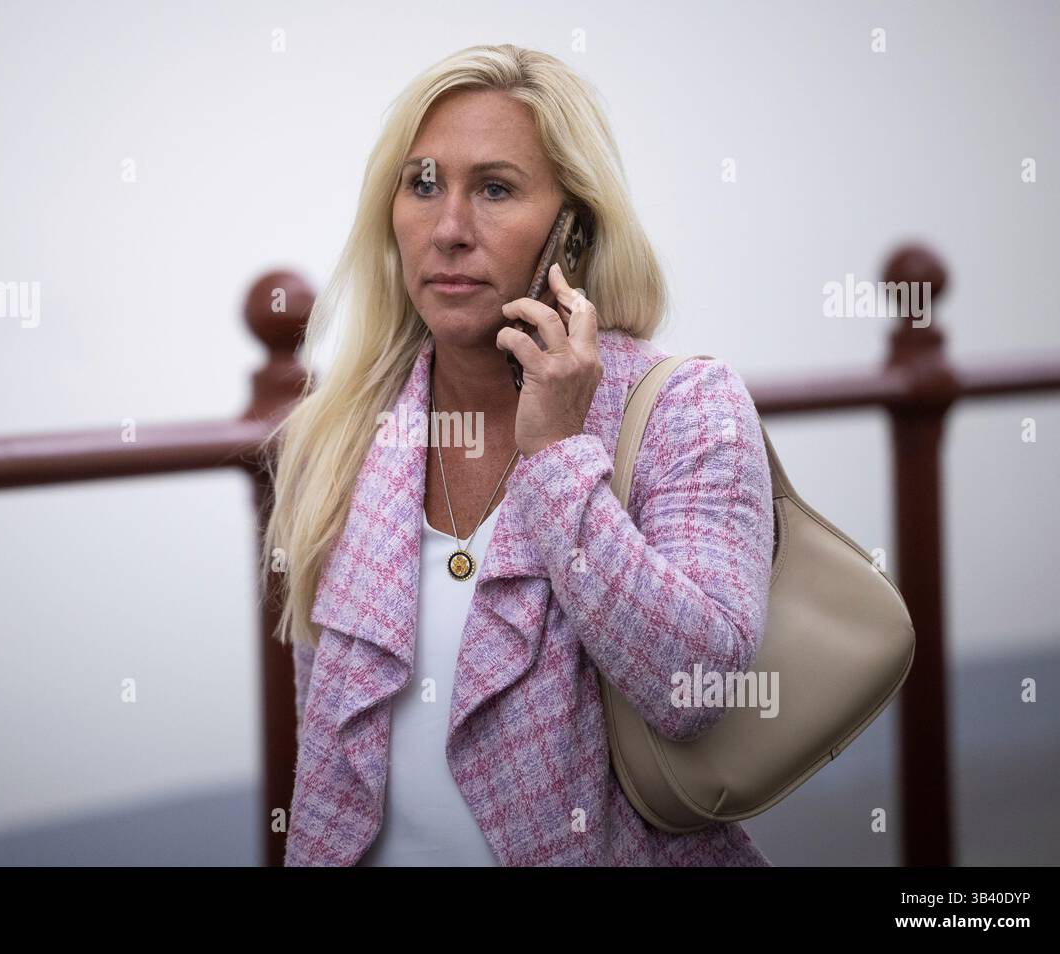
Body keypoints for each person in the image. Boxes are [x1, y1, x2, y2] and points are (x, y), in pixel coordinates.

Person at [258, 43, 774, 866]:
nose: (450, 229)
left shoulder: (685, 408)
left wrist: (561, 457)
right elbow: (327, 765)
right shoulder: (343, 432)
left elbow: (697, 684)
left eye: (495, 189)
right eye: (423, 184)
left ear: (573, 226)